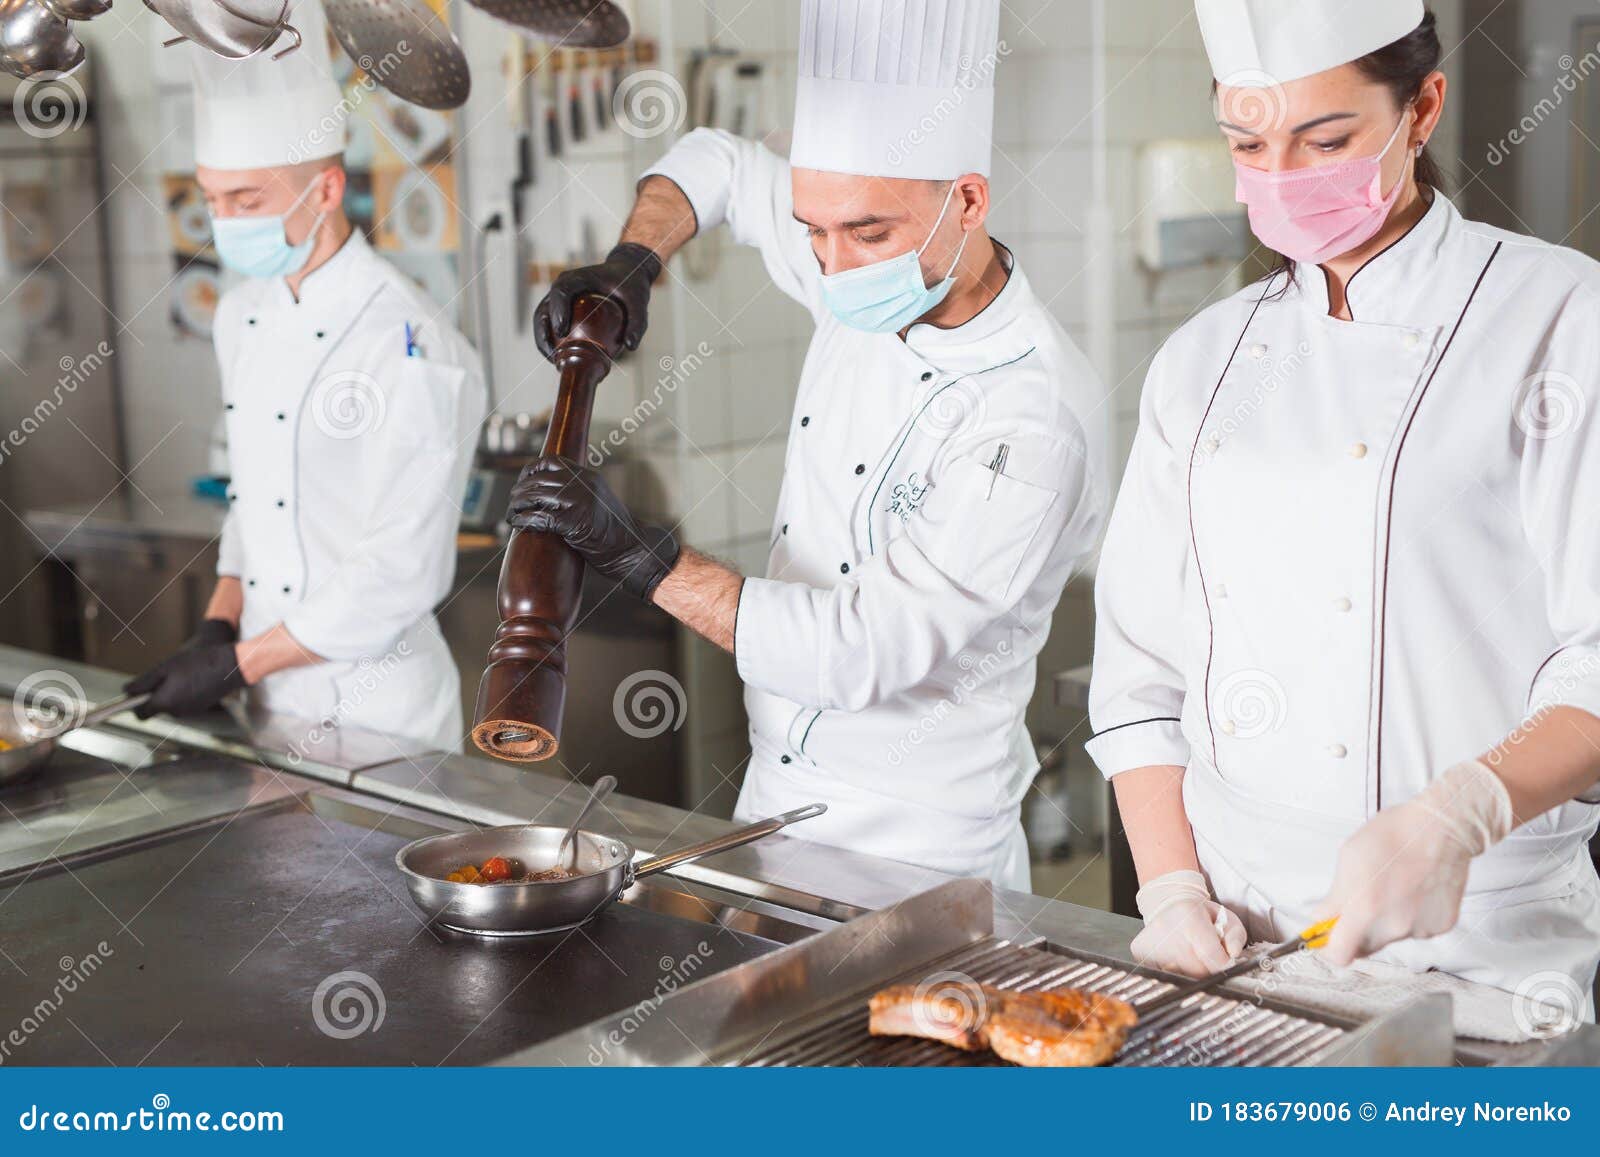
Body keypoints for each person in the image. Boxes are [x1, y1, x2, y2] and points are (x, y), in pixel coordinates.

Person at [509, 0, 1106, 891]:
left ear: (968, 201)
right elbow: (711, 161)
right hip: (773, 813)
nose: (833, 266)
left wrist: (638, 554)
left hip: (922, 864)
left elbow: (861, 650)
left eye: (869, 233)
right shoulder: (852, 263)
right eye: (812, 230)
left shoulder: (1033, 414)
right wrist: (631, 264)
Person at [1089, 0, 1600, 1009]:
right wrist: (1172, 886)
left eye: (1325, 139)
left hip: (1483, 944)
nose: (1281, 176)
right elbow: (1140, 673)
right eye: (1247, 141)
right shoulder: (1200, 359)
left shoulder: (1560, 319)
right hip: (1238, 945)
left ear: (1421, 110)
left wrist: (1459, 812)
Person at [127, 13, 486, 754]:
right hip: (270, 703)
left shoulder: (411, 343)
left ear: (325, 191)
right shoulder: (239, 314)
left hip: (384, 720)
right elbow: (251, 498)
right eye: (212, 197)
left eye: (247, 201)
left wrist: (232, 664)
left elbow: (400, 573)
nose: (221, 223)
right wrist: (218, 625)